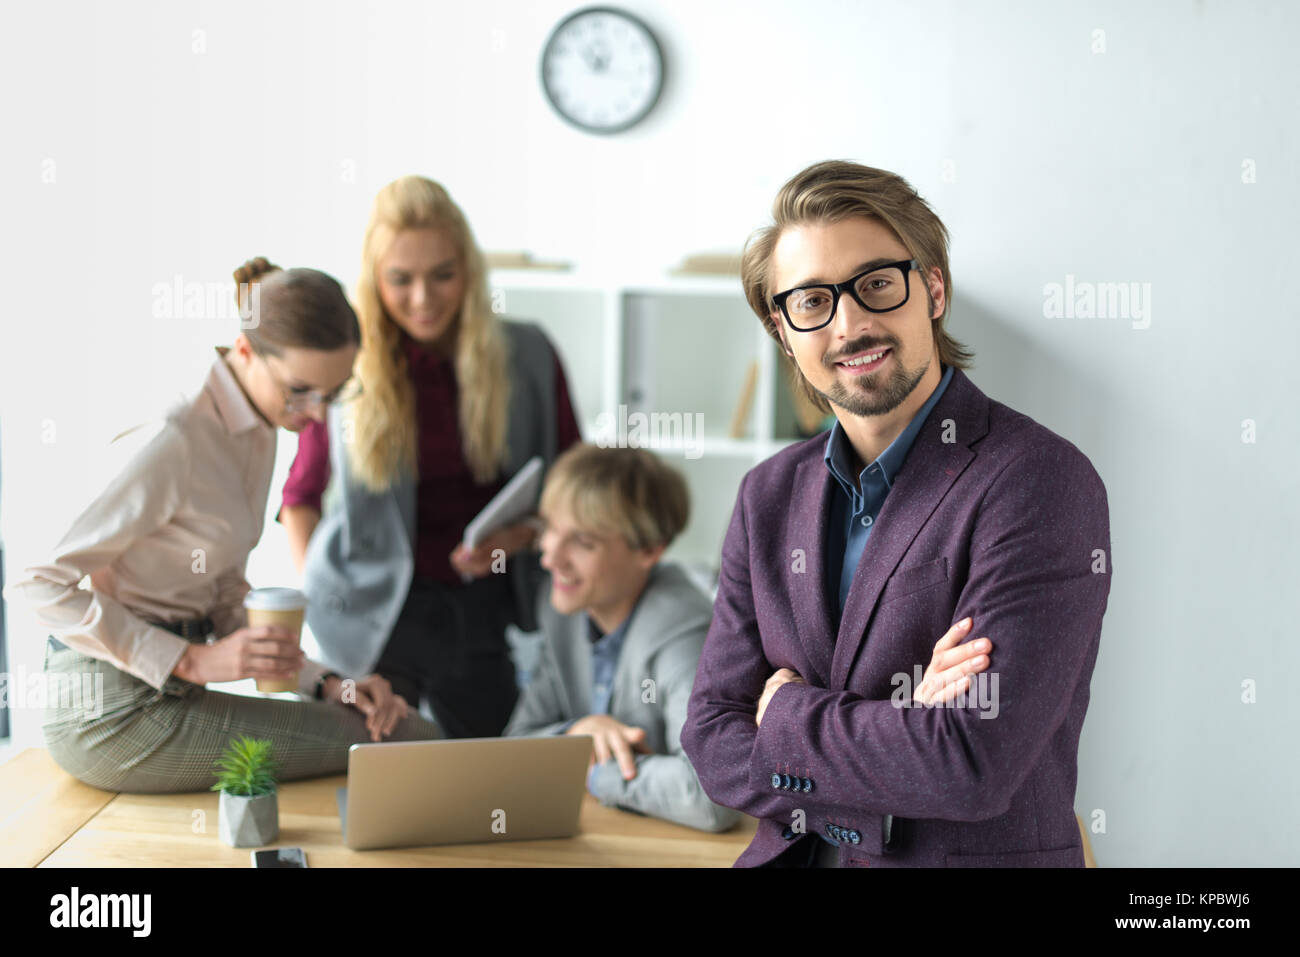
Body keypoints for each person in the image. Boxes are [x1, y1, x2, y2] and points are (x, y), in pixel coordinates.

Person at [680, 160, 1112, 867]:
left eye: (877, 284)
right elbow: (710, 738)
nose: (851, 324)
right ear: (782, 329)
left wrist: (786, 714)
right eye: (812, 301)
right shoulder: (768, 495)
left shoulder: (1038, 480)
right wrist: (904, 727)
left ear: (932, 288)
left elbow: (971, 762)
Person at [5, 259, 441, 794]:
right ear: (244, 351)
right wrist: (188, 658)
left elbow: (226, 597)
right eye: (301, 390)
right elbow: (35, 581)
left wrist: (328, 683)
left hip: (168, 692)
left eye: (335, 392)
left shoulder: (261, 423)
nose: (319, 413)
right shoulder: (175, 434)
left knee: (403, 729)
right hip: (108, 710)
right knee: (408, 740)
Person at [278, 175, 582, 740]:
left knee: (495, 769)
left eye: (443, 275)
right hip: (382, 613)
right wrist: (319, 603)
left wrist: (515, 539)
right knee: (377, 759)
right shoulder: (348, 368)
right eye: (401, 280)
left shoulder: (529, 355)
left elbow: (577, 491)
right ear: (374, 280)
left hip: (490, 601)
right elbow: (299, 498)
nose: (423, 299)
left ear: (468, 270)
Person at [503, 444, 740, 833]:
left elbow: (711, 796)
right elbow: (513, 744)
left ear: (649, 550)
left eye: (582, 542)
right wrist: (573, 734)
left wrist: (586, 766)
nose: (549, 559)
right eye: (548, 530)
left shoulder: (684, 630)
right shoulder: (565, 612)